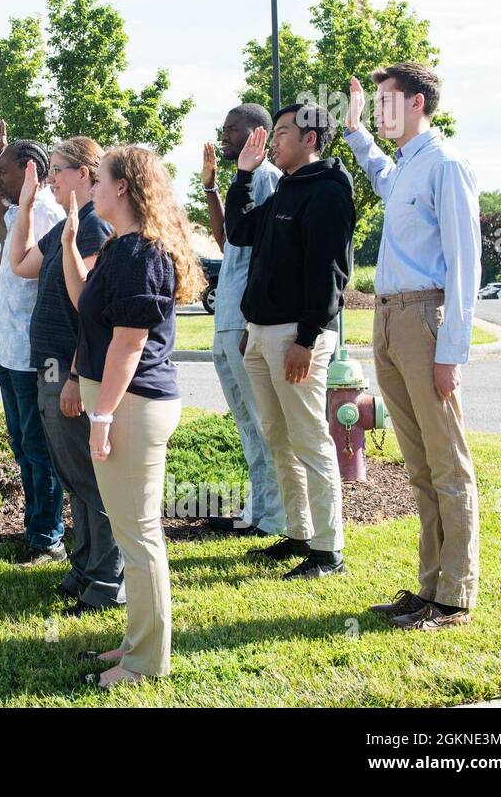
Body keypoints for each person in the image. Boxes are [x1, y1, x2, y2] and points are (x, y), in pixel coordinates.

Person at [63, 146, 206, 686]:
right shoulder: (120, 247)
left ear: (122, 187)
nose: (91, 187)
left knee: (140, 537)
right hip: (120, 400)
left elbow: (128, 342)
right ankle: (133, 645)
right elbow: (88, 308)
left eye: (98, 180)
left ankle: (146, 664)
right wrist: (70, 245)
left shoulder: (140, 252)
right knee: (131, 533)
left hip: (132, 404)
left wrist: (101, 417)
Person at [345, 65, 481, 630]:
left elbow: (466, 262)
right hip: (387, 320)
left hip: (425, 321)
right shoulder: (407, 168)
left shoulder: (446, 165)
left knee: (448, 464)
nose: (379, 110)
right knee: (419, 465)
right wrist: (355, 130)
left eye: (385, 101)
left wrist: (452, 349)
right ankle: (429, 588)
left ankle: (454, 596)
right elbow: (379, 171)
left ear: (418, 103)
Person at [225, 105, 355, 580]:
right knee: (278, 438)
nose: (272, 141)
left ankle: (328, 550)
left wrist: (306, 338)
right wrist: (243, 177)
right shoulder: (285, 189)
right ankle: (299, 534)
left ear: (311, 138)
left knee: (309, 439)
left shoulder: (327, 192)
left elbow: (331, 273)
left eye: (281, 132)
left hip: (295, 339)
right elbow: (238, 231)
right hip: (262, 335)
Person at [7, 136, 125, 614]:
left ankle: (107, 581)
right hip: (50, 368)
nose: (50, 177)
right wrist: (25, 206)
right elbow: (20, 265)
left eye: (57, 169)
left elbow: (92, 313)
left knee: (92, 479)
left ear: (85, 173)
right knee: (73, 476)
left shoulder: (96, 230)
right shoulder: (65, 230)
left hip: (73, 373)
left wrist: (75, 377)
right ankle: (83, 567)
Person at [201, 105, 286, 539]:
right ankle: (260, 508)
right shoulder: (243, 181)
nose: (224, 136)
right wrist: (212, 189)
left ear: (257, 133)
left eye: (231, 129)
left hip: (244, 319)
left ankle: (276, 517)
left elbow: (264, 253)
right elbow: (228, 237)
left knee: (263, 420)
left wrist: (252, 324)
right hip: (226, 316)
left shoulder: (267, 177)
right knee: (247, 422)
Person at [0, 121, 68, 563]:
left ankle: (48, 538)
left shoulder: (47, 216)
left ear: (29, 169)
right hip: (7, 355)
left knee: (40, 451)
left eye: (4, 170)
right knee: (23, 447)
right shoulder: (20, 211)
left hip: (31, 359)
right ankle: (36, 528)